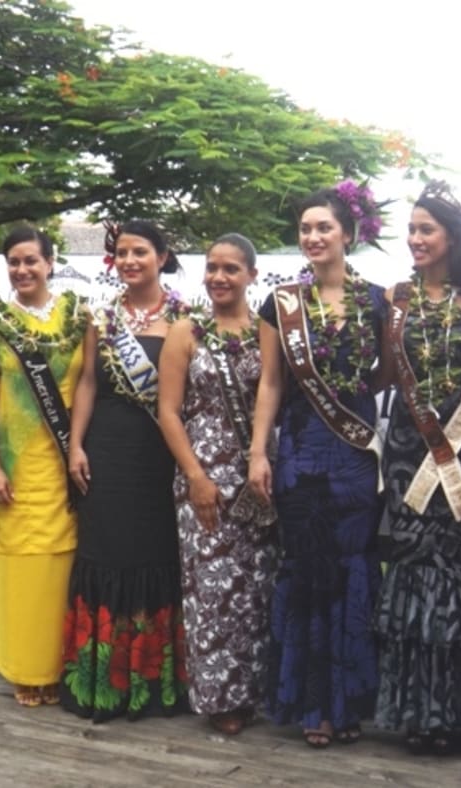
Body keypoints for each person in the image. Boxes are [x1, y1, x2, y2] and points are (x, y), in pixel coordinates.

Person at [248, 183, 385, 748]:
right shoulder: (280, 303)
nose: (313, 237)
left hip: (353, 460)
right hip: (301, 456)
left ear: (348, 233)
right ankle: (311, 705)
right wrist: (259, 451)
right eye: (305, 229)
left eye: (324, 227)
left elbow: (387, 372)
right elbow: (271, 383)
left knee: (351, 573)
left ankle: (347, 703)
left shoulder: (379, 302)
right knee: (306, 571)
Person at [373, 181, 461, 754]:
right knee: (412, 570)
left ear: (453, 237)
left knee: (457, 571)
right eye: (412, 229)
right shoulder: (394, 299)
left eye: (427, 230)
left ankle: (455, 714)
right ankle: (413, 713)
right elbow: (382, 374)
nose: (416, 239)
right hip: (408, 452)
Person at [62, 219, 191, 721]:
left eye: (140, 251)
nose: (130, 261)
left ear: (162, 256)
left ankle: (151, 685)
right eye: (122, 253)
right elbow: (88, 383)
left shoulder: (185, 316)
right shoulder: (103, 316)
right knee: (105, 552)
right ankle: (100, 684)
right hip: (107, 451)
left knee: (154, 553)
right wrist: (76, 445)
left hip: (158, 454)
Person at [157, 233, 279, 735]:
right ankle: (220, 697)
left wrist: (259, 459)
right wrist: (195, 477)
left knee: (257, 588)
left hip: (256, 477)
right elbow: (168, 411)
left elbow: (273, 392)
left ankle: (257, 691)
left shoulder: (266, 331)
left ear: (252, 275)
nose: (219, 277)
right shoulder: (185, 331)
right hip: (203, 478)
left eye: (231, 268)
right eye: (212, 268)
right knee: (211, 591)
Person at [0, 227, 86, 707]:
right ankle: (24, 669)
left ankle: (53, 667)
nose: (22, 270)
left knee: (59, 568)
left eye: (31, 261)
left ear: (50, 262)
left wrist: (77, 446)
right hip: (15, 467)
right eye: (14, 262)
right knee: (20, 570)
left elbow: (87, 385)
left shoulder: (76, 317)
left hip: (63, 463)